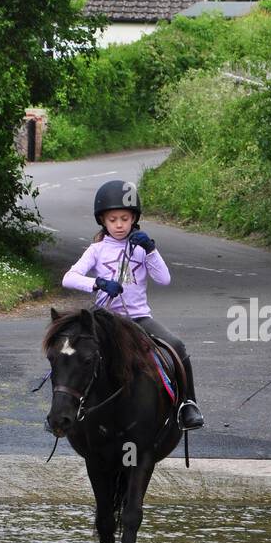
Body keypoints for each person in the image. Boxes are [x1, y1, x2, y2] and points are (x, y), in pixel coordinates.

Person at [62, 179, 204, 430]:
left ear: (134, 219)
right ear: (102, 221)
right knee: (69, 351)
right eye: (113, 219)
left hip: (139, 318)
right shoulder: (96, 250)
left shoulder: (141, 248)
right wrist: (98, 283)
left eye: (125, 219)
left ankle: (187, 404)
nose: (119, 225)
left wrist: (150, 250)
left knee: (177, 346)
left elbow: (165, 279)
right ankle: (62, 408)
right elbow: (69, 278)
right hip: (105, 320)